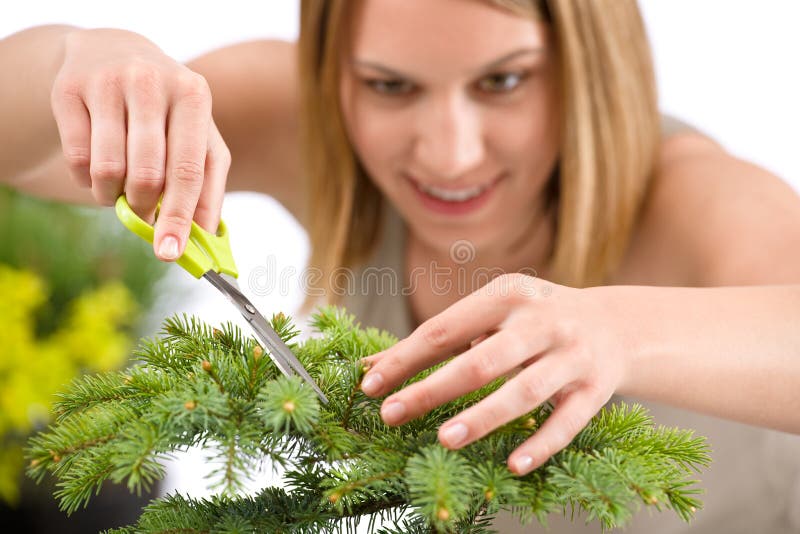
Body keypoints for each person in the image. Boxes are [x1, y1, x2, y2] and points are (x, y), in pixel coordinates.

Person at [1, 1, 799, 532]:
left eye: (504, 79)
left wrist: (620, 328)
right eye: (389, 86)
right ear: (334, 75)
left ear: (590, 65)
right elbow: (21, 156)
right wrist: (87, 56)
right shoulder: (310, 127)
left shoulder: (692, 196)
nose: (449, 153)